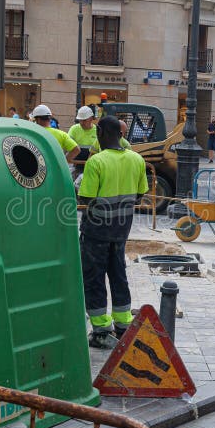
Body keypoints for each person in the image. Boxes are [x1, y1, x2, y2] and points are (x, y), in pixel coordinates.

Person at [78, 116, 148, 349]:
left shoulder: (96, 162)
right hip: (121, 230)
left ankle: (100, 331)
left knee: (94, 278)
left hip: (96, 232)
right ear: (120, 134)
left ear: (100, 132)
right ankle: (123, 323)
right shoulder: (136, 160)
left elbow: (85, 198)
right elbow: (139, 195)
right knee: (118, 274)